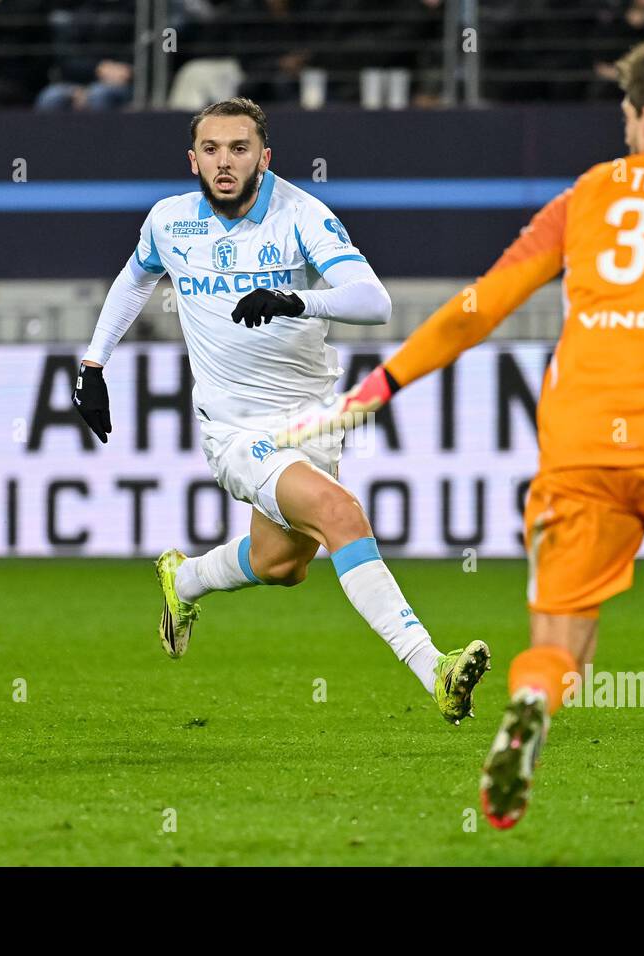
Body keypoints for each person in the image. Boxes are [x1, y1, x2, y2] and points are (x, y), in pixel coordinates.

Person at [280, 38, 644, 842]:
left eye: (625, 117)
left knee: (562, 644)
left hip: (583, 455)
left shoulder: (589, 195)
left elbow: (481, 307)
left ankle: (531, 708)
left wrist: (378, 389)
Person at [72, 97, 491, 724]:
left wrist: (298, 300)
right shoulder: (169, 222)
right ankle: (434, 667)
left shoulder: (300, 214)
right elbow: (136, 279)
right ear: (193, 160)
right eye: (211, 149)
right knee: (339, 513)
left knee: (282, 565)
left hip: (312, 421)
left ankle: (183, 580)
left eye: (239, 149)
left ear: (263, 158)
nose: (224, 162)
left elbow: (373, 301)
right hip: (234, 428)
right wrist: (94, 363)